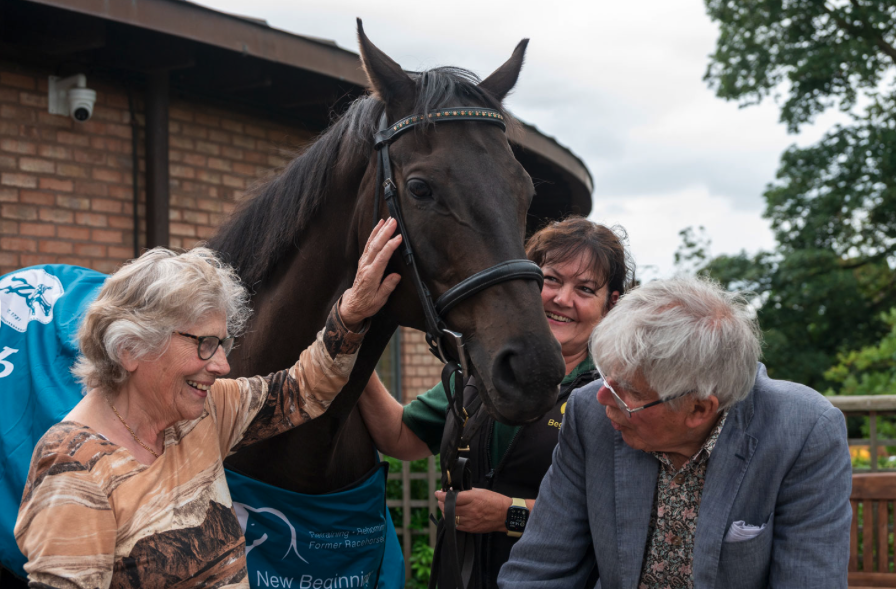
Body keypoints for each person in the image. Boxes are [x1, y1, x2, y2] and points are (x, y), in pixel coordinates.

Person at [13, 219, 403, 588]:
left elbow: (300, 392)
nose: (222, 365)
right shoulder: (72, 470)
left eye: (222, 343)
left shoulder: (202, 413)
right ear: (131, 347)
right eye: (204, 344)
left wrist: (350, 315)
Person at [498, 275, 852, 589]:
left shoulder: (804, 431)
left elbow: (808, 579)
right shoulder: (589, 412)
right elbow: (541, 566)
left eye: (628, 392)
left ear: (699, 409)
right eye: (607, 378)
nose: (602, 397)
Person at [359, 217, 634, 588]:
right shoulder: (481, 368)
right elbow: (400, 437)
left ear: (610, 303)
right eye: (551, 279)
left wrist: (509, 515)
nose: (562, 299)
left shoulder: (615, 394)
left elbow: (621, 517)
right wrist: (349, 356)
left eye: (585, 289)